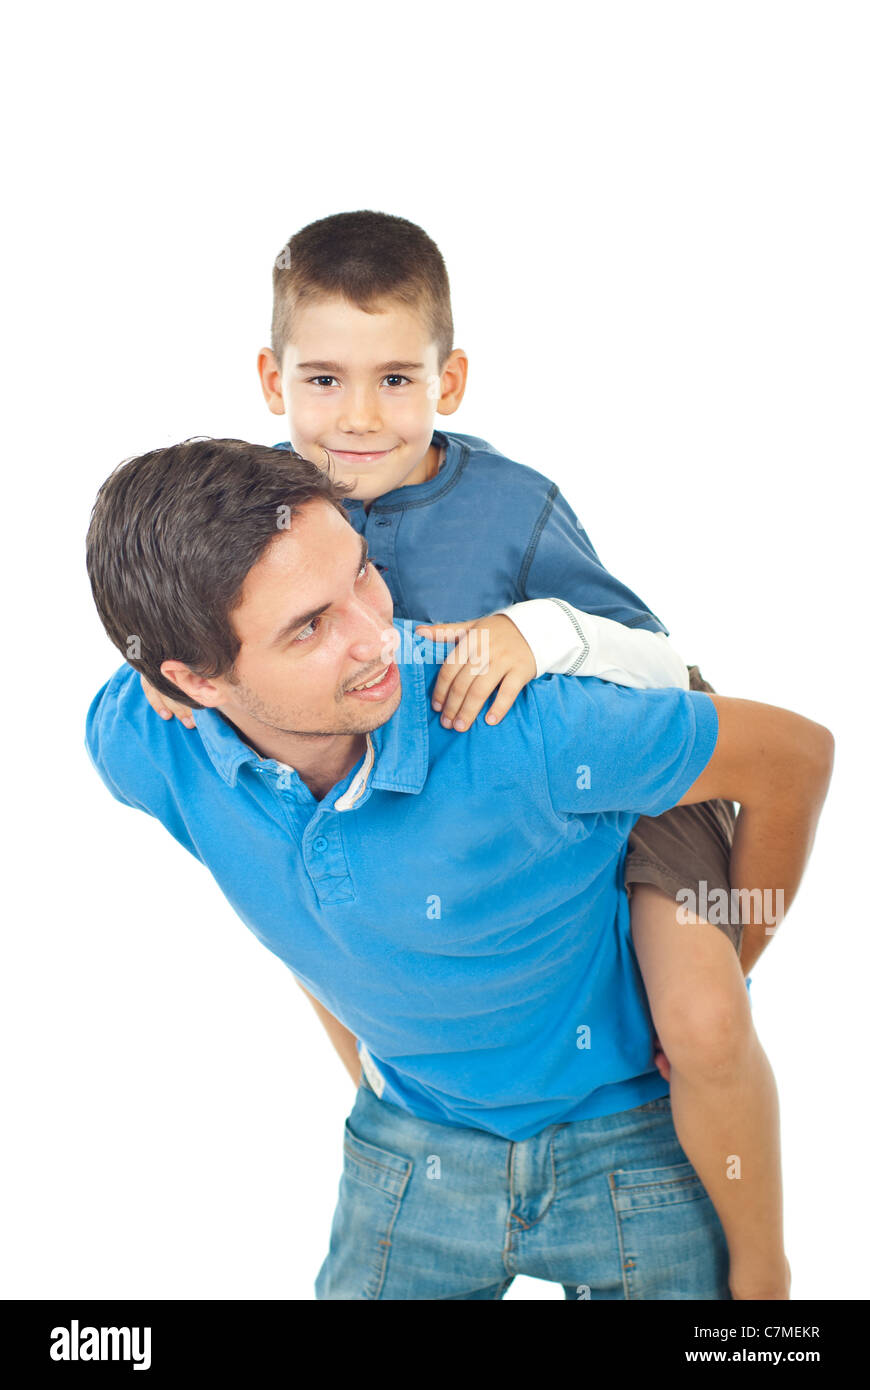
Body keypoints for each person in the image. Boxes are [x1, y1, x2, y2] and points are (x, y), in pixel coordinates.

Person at [139, 212, 810, 1297]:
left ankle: (765, 1270)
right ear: (272, 378)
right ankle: (431, 1130)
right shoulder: (258, 504)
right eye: (324, 381)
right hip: (444, 817)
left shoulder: (509, 507)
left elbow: (659, 662)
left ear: (450, 383)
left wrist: (537, 634)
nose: (357, 418)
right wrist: (161, 667)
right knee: (342, 935)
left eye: (396, 380)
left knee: (697, 1013)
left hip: (631, 769)